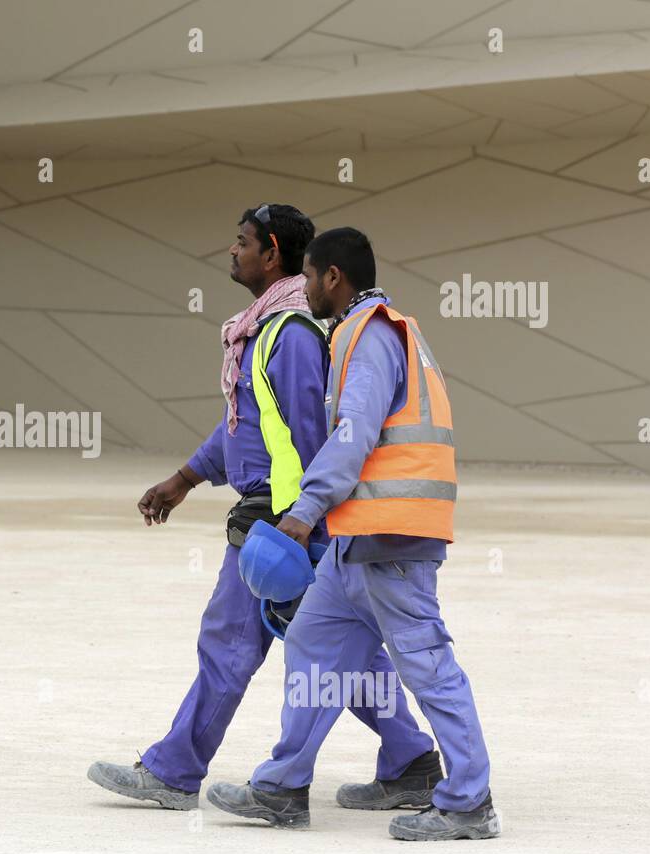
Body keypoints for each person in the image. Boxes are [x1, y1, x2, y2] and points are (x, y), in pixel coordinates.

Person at [88, 208, 438, 813]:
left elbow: (312, 437)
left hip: (281, 522)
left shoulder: (293, 336)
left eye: (243, 242)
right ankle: (411, 762)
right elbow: (247, 428)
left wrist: (300, 526)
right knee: (337, 653)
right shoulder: (262, 331)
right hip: (281, 518)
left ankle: (176, 771)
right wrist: (185, 478)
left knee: (232, 640)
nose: (232, 250)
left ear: (270, 253)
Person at [205, 227, 500, 839]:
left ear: (332, 278)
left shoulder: (368, 337)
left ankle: (469, 801)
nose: (303, 288)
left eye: (308, 277)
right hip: (357, 541)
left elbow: (354, 435)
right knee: (312, 643)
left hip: (392, 535)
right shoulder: (375, 332)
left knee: (426, 665)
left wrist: (303, 510)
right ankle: (283, 787)